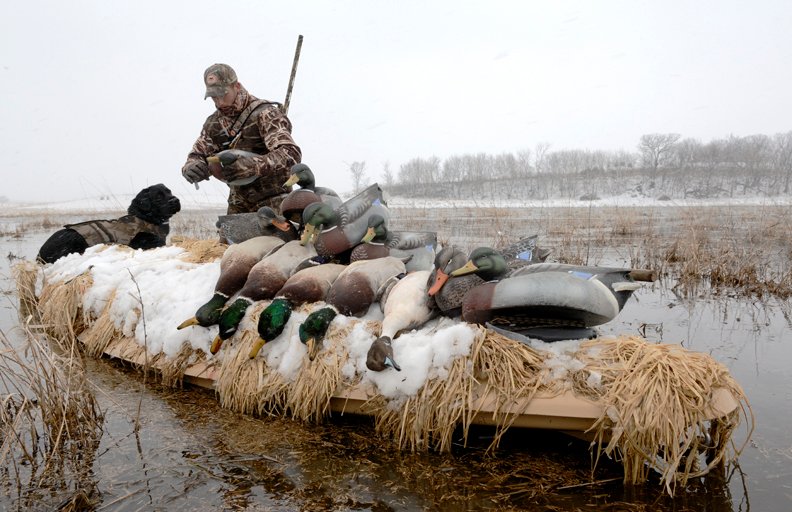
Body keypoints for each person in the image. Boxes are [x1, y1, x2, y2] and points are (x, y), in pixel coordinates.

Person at [181, 63, 302, 214]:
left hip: (274, 204)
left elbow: (290, 154)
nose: (218, 100)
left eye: (222, 93)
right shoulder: (213, 123)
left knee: (274, 238)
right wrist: (192, 167)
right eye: (213, 96)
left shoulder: (266, 113)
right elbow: (197, 155)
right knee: (227, 238)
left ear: (237, 86)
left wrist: (252, 165)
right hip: (237, 206)